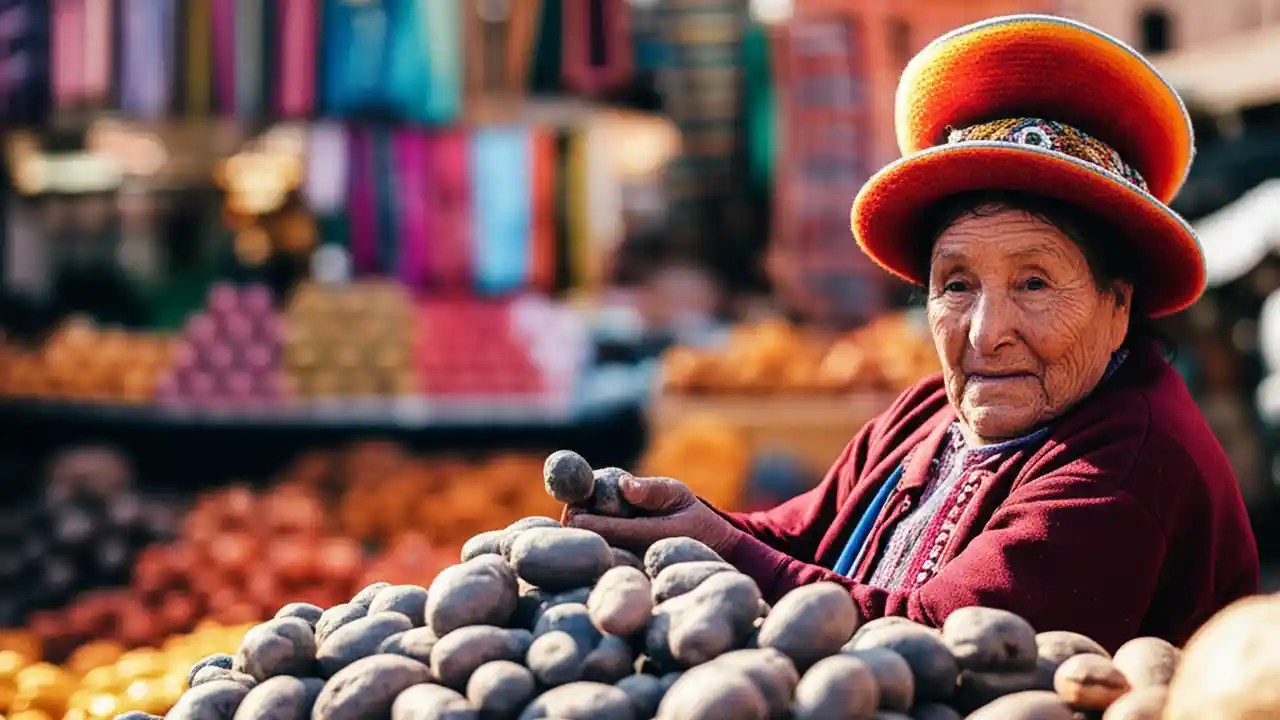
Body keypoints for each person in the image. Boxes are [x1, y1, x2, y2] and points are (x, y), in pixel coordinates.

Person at [568, 14, 1261, 652]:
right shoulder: (928, 413)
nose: (987, 334)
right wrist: (685, 524)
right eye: (956, 285)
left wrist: (721, 545)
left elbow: (939, 641)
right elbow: (801, 537)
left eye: (1035, 284)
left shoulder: (1127, 466)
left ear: (1118, 307)